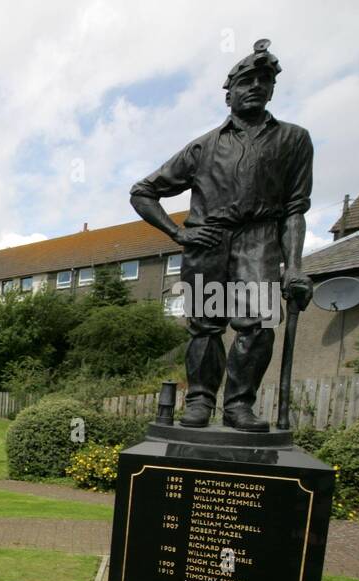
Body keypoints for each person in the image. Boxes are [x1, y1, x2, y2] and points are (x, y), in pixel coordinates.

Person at [130, 39, 313, 431]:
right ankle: (199, 400)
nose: (256, 87)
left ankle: (239, 405)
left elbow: (295, 209)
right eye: (246, 81)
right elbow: (143, 192)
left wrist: (294, 265)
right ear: (229, 93)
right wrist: (178, 234)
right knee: (205, 326)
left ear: (272, 90)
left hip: (261, 240)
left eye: (264, 81)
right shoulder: (203, 146)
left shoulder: (293, 140)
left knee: (256, 324)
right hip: (207, 243)